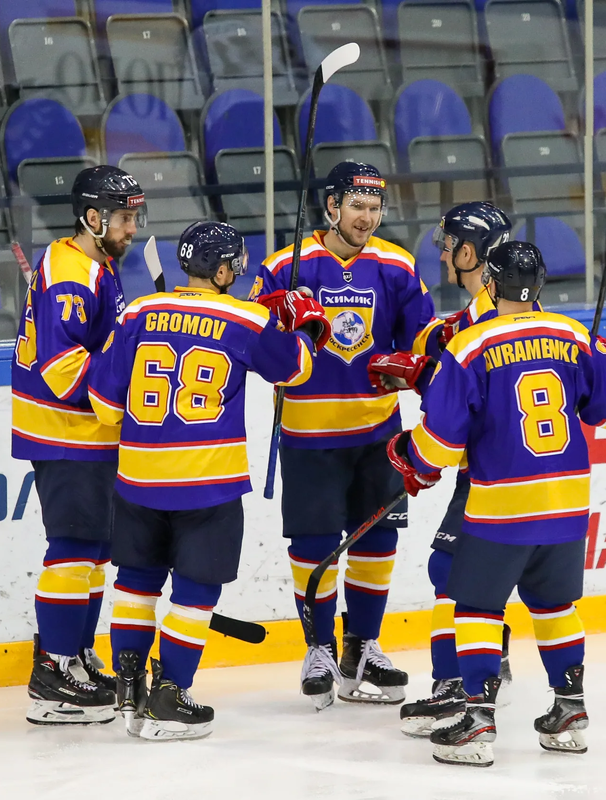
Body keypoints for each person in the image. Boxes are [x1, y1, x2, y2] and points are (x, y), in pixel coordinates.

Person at [386, 238, 606, 767]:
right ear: (540, 286)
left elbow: (443, 443)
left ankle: (476, 722)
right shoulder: (575, 335)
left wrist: (411, 456)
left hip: (500, 504)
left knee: (475, 605)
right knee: (555, 605)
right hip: (567, 502)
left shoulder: (470, 345)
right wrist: (601, 355)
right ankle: (570, 712)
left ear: (491, 284)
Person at [89, 221, 328, 740]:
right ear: (222, 270)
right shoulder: (245, 318)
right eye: (235, 266)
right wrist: (302, 326)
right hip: (207, 484)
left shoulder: (137, 312)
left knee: (135, 583)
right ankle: (169, 696)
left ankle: (128, 686)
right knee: (194, 591)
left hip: (137, 480)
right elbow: (297, 371)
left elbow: (105, 406)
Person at [248, 162, 436, 710]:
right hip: (309, 434)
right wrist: (278, 319)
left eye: (375, 207)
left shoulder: (397, 265)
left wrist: (414, 364)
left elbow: (420, 342)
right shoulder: (287, 265)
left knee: (377, 539)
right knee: (313, 544)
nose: (367, 217)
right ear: (332, 206)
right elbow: (260, 352)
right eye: (357, 206)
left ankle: (362, 645)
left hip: (377, 432)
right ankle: (318, 648)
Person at [367, 202, 521, 735]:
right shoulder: (495, 302)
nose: (441, 251)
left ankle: (454, 688)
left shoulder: (484, 314)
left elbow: (464, 389)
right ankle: (492, 659)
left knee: (450, 571)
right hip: (519, 464)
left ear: (470, 251)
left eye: (448, 242)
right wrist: (426, 359)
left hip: (491, 467)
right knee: (490, 571)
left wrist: (420, 374)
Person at [11, 164, 142, 725]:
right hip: (66, 434)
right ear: (93, 217)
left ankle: (78, 656)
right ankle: (53, 670)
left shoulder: (94, 263)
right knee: (71, 548)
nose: (132, 227)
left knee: (91, 552)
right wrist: (125, 383)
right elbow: (63, 368)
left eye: (135, 215)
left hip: (86, 435)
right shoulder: (71, 273)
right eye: (123, 216)